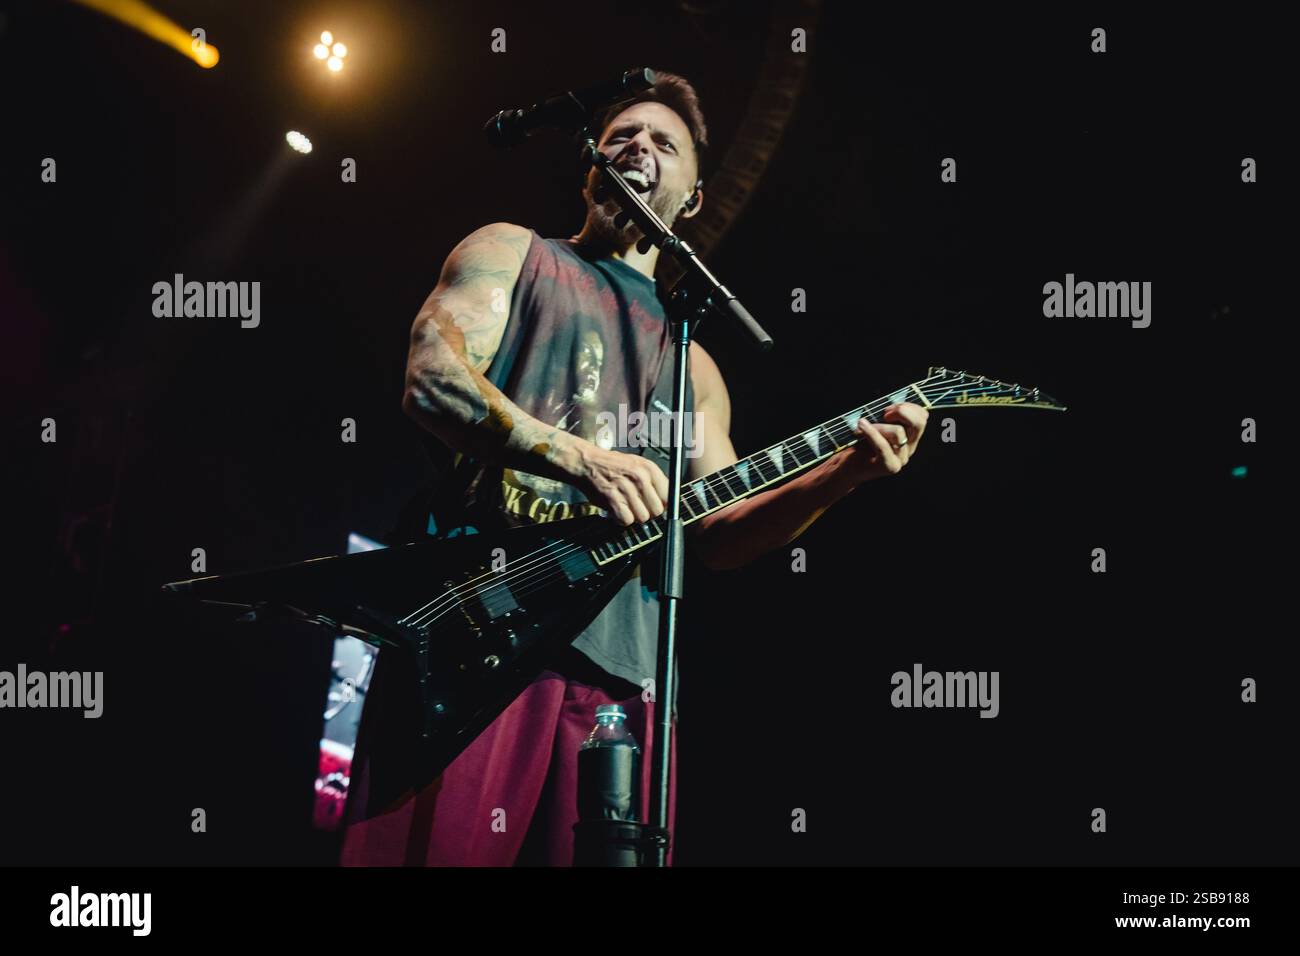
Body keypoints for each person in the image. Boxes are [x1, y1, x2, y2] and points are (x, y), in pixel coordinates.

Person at [339, 72, 929, 866]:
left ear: (692, 199)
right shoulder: (515, 253)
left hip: (624, 679)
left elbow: (717, 536)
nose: (637, 148)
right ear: (590, 170)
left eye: (663, 142)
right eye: (621, 137)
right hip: (480, 636)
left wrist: (844, 474)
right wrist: (581, 456)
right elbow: (433, 381)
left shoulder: (698, 364)